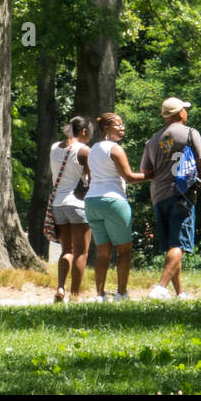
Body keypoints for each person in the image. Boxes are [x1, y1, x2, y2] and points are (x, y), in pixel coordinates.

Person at [140, 97, 201, 300]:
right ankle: (160, 287)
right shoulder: (190, 133)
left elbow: (145, 171)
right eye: (184, 110)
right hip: (181, 194)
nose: (186, 113)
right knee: (179, 245)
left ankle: (180, 293)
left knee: (172, 245)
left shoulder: (152, 141)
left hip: (158, 196)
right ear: (178, 113)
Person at [84, 113, 147, 301]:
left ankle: (100, 295)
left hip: (92, 202)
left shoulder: (92, 149)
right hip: (113, 202)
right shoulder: (115, 149)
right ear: (106, 129)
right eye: (118, 125)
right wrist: (152, 174)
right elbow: (129, 177)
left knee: (103, 253)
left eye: (122, 125)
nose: (122, 128)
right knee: (124, 251)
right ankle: (121, 294)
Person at [49, 116, 91, 303]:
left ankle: (60, 287)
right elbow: (92, 178)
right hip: (77, 204)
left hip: (58, 204)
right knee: (81, 252)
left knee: (66, 250)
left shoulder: (54, 148)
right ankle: (75, 295)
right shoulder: (84, 151)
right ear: (83, 131)